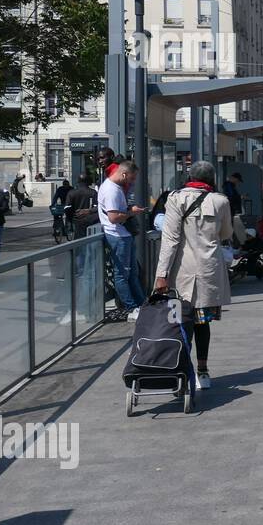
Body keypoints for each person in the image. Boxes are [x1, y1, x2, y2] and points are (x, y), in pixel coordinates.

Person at [154, 160, 232, 392]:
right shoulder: (221, 201)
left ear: (189, 176)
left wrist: (161, 275)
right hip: (209, 271)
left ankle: (179, 369)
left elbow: (170, 240)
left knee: (179, 322)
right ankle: (203, 372)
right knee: (202, 324)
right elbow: (226, 233)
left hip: (181, 274)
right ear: (212, 179)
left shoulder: (175, 199)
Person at [98, 160, 147, 320]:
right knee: (123, 275)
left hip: (122, 235)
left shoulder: (115, 187)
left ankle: (141, 305)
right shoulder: (112, 190)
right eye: (132, 178)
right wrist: (131, 212)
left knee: (132, 273)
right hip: (117, 235)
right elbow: (113, 217)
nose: (132, 182)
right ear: (124, 174)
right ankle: (133, 308)